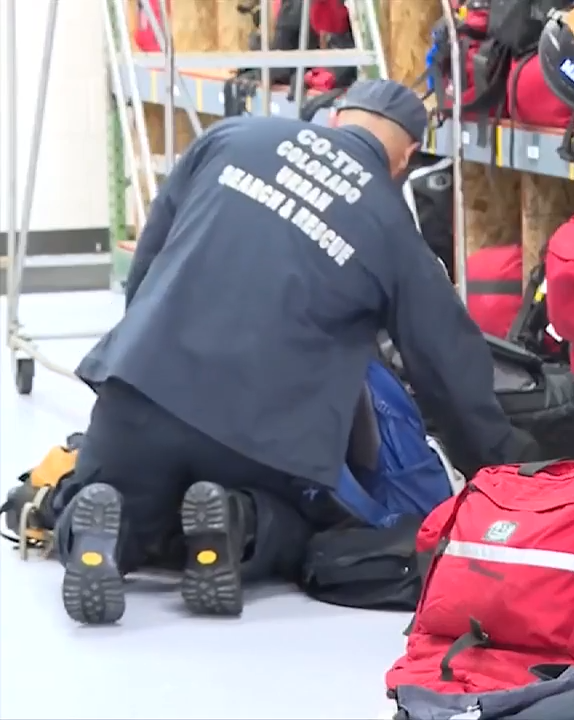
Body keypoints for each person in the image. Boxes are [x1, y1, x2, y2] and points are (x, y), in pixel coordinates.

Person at [55, 79, 534, 626]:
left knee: (100, 492)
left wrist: (141, 359)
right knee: (307, 525)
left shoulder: (230, 138)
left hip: (142, 391)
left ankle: (102, 536)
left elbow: (147, 264)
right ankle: (240, 522)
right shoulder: (391, 225)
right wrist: (505, 475)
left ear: (334, 119)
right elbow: (447, 367)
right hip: (261, 437)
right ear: (403, 160)